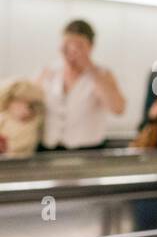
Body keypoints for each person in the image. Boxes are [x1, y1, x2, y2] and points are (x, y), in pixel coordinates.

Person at [36, 19, 126, 150]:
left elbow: (118, 109)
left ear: (91, 46)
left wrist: (90, 68)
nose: (72, 51)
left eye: (78, 46)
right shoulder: (49, 72)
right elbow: (31, 102)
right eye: (67, 44)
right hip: (49, 149)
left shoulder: (102, 74)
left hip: (87, 151)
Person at [0, 78, 45, 157]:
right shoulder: (3, 119)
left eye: (29, 106)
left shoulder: (33, 123)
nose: (25, 109)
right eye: (19, 103)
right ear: (9, 102)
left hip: (24, 163)